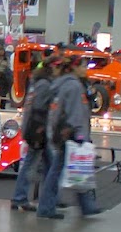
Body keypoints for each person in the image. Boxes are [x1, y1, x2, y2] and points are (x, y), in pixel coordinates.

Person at [37, 53, 102, 220]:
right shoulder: (73, 86)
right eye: (83, 66)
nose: (85, 69)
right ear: (74, 67)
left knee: (74, 169)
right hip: (71, 134)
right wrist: (80, 135)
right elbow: (75, 113)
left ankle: (86, 205)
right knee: (63, 170)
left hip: (64, 133)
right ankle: (47, 207)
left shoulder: (64, 84)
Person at [10, 63, 55, 211]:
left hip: (35, 129)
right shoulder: (45, 85)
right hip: (38, 131)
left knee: (47, 164)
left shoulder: (37, 83)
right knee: (33, 164)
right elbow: (39, 108)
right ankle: (21, 197)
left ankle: (45, 198)